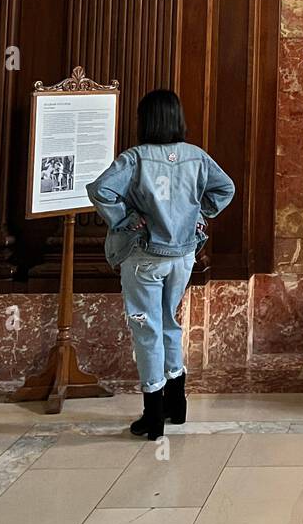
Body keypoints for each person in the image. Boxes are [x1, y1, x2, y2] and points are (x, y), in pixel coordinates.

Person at [86, 90, 235, 441]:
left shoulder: (135, 159)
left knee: (146, 328)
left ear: (145, 120)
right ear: (177, 119)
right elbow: (225, 189)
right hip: (183, 256)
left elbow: (100, 191)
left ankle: (153, 415)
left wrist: (127, 219)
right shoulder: (196, 156)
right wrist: (199, 215)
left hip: (145, 258)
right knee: (169, 322)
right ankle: (176, 404)